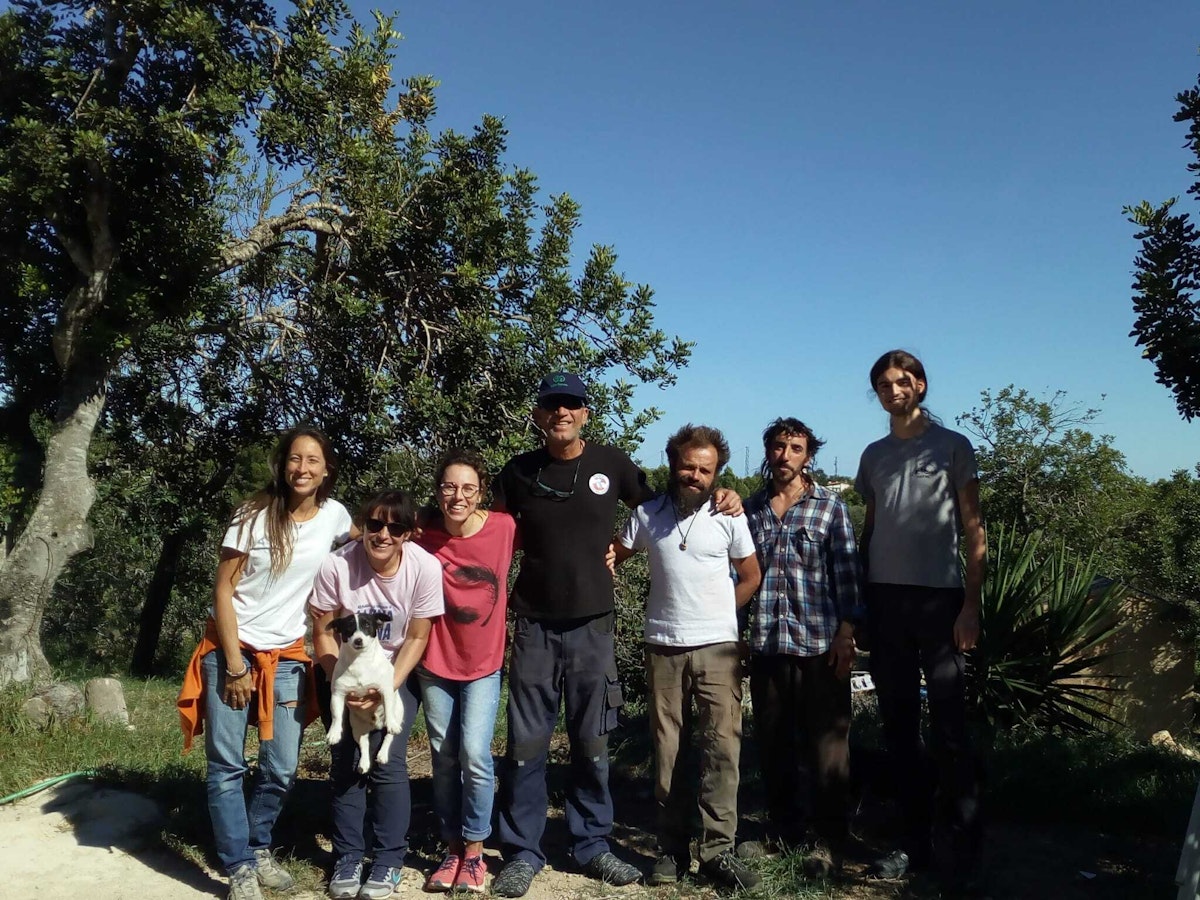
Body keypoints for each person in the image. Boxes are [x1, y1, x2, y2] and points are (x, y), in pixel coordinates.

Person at [489, 371, 742, 898]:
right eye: (552, 404)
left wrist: (725, 494)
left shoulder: (612, 464)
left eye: (572, 404)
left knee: (592, 740)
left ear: (586, 413)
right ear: (538, 414)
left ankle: (592, 844)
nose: (562, 412)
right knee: (527, 743)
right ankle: (522, 850)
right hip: (533, 624)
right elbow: (484, 535)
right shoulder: (517, 471)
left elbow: (667, 508)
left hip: (594, 625)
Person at [177, 427, 353, 900]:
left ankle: (258, 847)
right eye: (295, 459)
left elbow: (378, 538)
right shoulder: (252, 515)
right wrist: (236, 665)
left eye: (313, 460)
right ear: (283, 464)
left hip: (289, 658)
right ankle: (237, 865)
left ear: (327, 470)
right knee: (227, 764)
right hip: (231, 653)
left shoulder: (335, 516)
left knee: (281, 768)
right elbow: (223, 590)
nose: (302, 468)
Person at [855, 350, 985, 894]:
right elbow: (871, 530)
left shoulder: (953, 446)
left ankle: (963, 842)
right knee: (900, 726)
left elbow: (974, 529)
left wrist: (971, 606)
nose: (893, 391)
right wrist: (861, 605)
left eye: (902, 382)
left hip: (941, 601)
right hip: (886, 602)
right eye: (884, 385)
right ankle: (913, 842)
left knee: (950, 726)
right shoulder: (873, 455)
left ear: (921, 386)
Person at [612, 424, 763, 891]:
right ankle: (671, 850)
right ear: (672, 463)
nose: (695, 475)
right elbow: (613, 555)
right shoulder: (646, 514)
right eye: (688, 466)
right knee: (668, 751)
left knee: (722, 748)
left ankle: (718, 852)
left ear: (716, 474)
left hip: (718, 648)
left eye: (705, 469)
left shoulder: (728, 515)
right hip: (663, 645)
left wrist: (721, 615)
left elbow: (751, 575)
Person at [309, 490, 444, 900]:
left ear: (409, 534)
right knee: (346, 762)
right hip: (341, 672)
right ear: (363, 526)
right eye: (375, 525)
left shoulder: (424, 567)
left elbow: (417, 636)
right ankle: (348, 857)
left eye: (396, 528)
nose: (384, 535)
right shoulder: (337, 565)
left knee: (389, 764)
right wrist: (340, 680)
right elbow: (322, 632)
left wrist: (385, 688)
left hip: (395, 673)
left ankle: (388, 860)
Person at [743, 417, 862, 877]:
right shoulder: (751, 510)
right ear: (768, 451)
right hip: (769, 643)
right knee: (774, 742)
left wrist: (847, 633)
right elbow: (739, 575)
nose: (786, 455)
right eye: (778, 446)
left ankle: (829, 838)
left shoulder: (830, 507)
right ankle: (783, 831)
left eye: (796, 448)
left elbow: (847, 574)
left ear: (808, 456)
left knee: (827, 745)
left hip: (819, 644)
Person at [415, 450, 519, 894]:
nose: (458, 496)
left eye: (468, 488)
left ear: (481, 493)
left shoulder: (503, 527)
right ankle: (452, 848)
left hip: (483, 664)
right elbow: (370, 530)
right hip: (434, 661)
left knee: (476, 755)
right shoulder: (422, 533)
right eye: (449, 487)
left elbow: (557, 536)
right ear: (438, 491)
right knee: (444, 757)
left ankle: (475, 852)